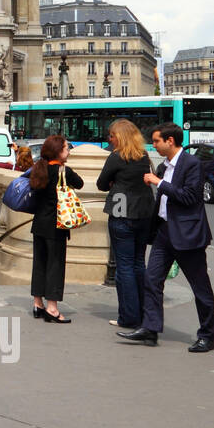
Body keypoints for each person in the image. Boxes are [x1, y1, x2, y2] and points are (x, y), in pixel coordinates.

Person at [119, 123, 214, 351]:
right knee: (152, 280)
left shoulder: (192, 164)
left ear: (170, 141)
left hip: (187, 235)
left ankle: (207, 336)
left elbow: (190, 197)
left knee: (200, 288)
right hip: (164, 232)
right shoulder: (164, 166)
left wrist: (159, 183)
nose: (153, 145)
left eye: (156, 141)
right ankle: (150, 329)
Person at [96, 119, 155, 330]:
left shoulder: (116, 157)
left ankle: (128, 317)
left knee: (124, 267)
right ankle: (141, 314)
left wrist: (114, 183)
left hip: (122, 214)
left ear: (119, 137)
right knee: (139, 264)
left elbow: (101, 184)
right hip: (143, 214)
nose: (109, 139)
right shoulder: (144, 157)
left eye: (111, 136)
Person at [26, 135, 83, 323]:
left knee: (39, 264)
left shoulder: (38, 169)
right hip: (56, 225)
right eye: (66, 148)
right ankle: (52, 308)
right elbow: (80, 183)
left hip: (39, 224)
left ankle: (37, 304)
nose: (68, 151)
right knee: (55, 266)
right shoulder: (62, 171)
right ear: (58, 152)